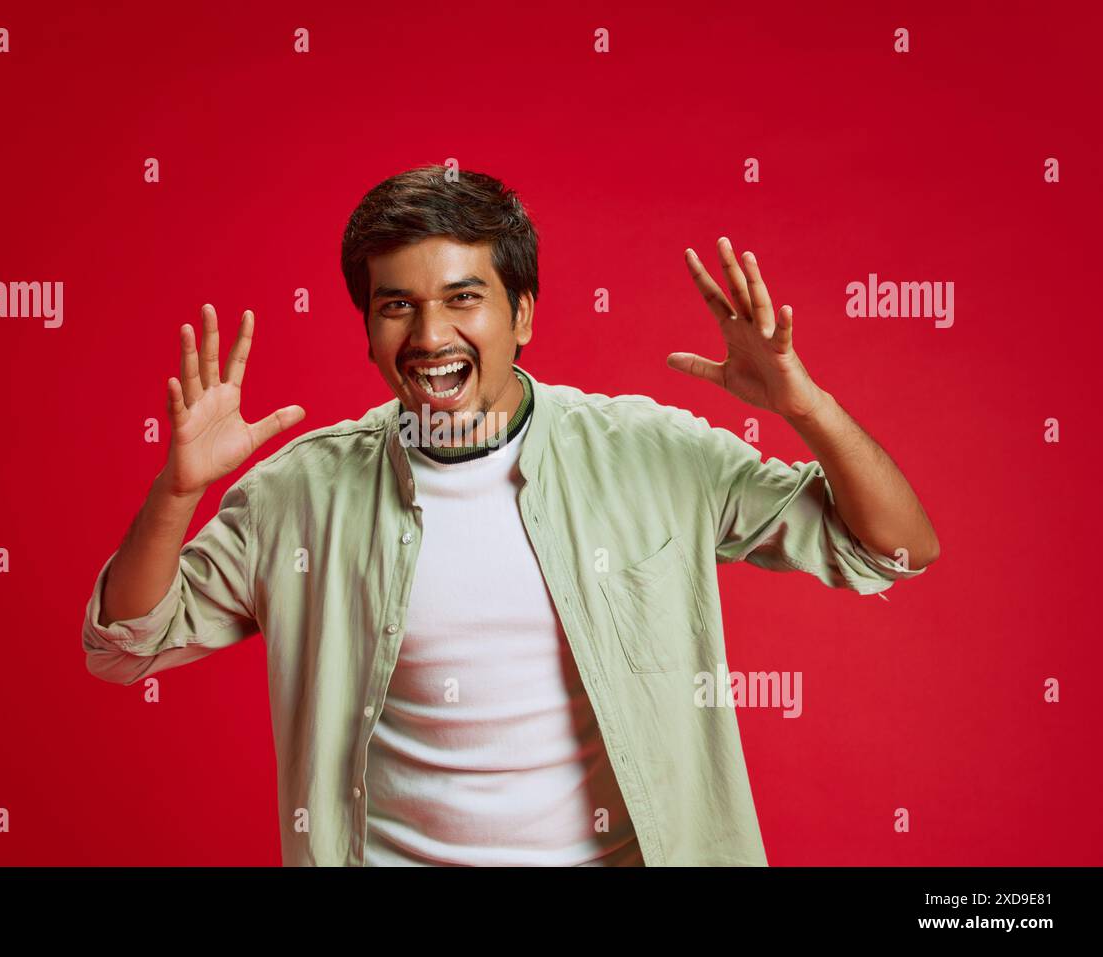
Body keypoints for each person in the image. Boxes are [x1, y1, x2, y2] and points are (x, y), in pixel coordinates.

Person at [81, 166, 940, 866]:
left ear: (521, 313)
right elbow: (127, 642)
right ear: (369, 329)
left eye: (463, 298)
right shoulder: (302, 492)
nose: (430, 334)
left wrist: (810, 408)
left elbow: (895, 550)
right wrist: (178, 492)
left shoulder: (652, 454)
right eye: (396, 305)